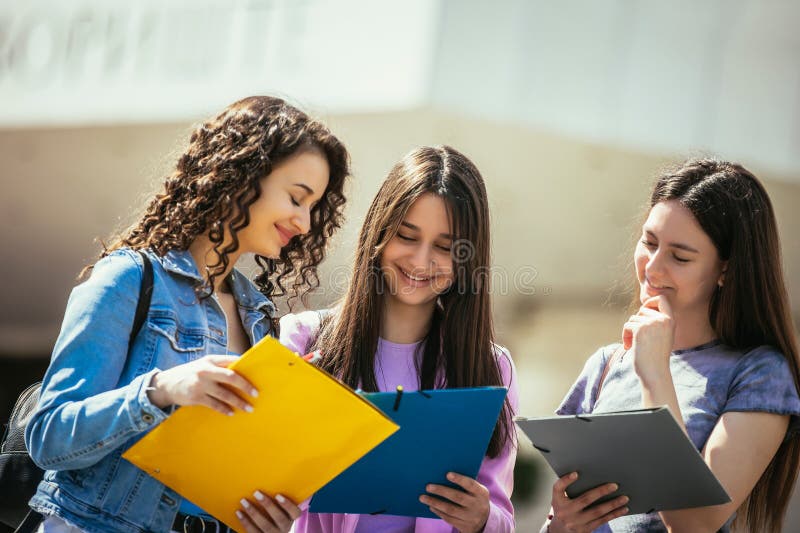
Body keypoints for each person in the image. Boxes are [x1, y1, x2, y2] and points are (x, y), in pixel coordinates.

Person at [24, 96, 350, 533]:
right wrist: (162, 390)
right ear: (243, 176)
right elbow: (49, 437)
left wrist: (262, 514)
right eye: (297, 198)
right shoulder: (128, 279)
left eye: (314, 207)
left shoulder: (260, 317)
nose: (306, 223)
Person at [545, 159, 800, 532]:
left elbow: (694, 524)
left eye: (680, 256)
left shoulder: (760, 374)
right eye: (649, 243)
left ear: (726, 269)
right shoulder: (606, 364)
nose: (652, 268)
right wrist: (559, 527)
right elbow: (559, 517)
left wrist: (655, 375)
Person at [280, 145, 518, 533]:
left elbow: (503, 517)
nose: (421, 261)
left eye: (444, 247)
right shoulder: (303, 340)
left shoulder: (493, 367)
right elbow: (266, 482)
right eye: (407, 236)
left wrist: (482, 519)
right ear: (379, 232)